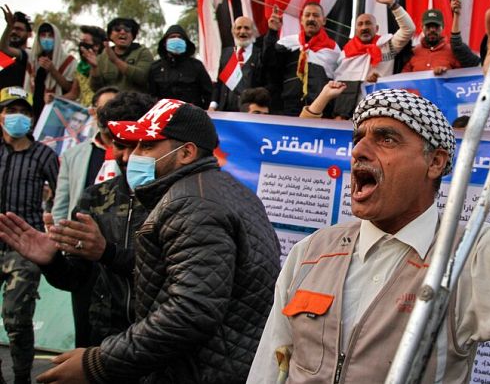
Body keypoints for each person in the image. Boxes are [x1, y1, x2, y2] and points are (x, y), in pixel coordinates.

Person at [247, 0, 490, 382]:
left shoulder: (469, 258)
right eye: (358, 137)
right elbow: (271, 366)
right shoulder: (310, 254)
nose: (360, 149)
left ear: (435, 162)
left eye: (387, 138)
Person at [34, 98, 281, 383]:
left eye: (147, 146)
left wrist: (98, 362)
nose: (130, 156)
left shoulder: (192, 203)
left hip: (202, 371)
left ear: (186, 152)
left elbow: (190, 311)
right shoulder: (217, 191)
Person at [0, 91, 155, 348]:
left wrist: (108, 253)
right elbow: (76, 279)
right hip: (97, 340)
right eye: (119, 144)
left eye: (138, 143)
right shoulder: (94, 198)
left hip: (154, 340)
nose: (127, 157)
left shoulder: (176, 197)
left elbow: (174, 273)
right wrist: (51, 261)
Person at [50, 86, 118, 347]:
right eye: (104, 108)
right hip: (82, 259)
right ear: (93, 112)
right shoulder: (73, 155)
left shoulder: (136, 155)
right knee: (86, 332)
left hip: (117, 256)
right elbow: (62, 204)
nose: (110, 114)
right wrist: (60, 242)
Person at [0, 86, 59, 384]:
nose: (17, 117)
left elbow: (63, 192)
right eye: (11, 111)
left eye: (24, 112)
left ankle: (21, 377)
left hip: (24, 247)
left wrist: (54, 223)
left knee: (17, 316)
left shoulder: (44, 155)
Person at [264, 3, 341, 116]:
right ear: (301, 19)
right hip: (289, 108)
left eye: (315, 15)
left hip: (321, 109)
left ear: (324, 20)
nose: (311, 19)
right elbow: (269, 64)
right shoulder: (287, 43)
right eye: (307, 15)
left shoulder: (334, 49)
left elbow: (339, 81)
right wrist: (272, 32)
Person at [335, 0, 415, 84]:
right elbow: (339, 80)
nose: (364, 27)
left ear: (376, 28)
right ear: (356, 30)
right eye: (360, 24)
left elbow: (408, 29)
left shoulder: (387, 45)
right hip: (354, 99)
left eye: (368, 23)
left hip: (380, 96)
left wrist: (393, 4)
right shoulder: (345, 53)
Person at [148, 25, 213, 109]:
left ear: (185, 43)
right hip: (165, 116)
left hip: (193, 116)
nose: (176, 39)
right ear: (165, 42)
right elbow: (151, 96)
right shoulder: (155, 67)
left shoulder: (196, 66)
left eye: (180, 37)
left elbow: (208, 93)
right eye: (172, 37)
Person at [211, 16, 266, 112]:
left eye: (246, 28)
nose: (242, 31)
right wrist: (213, 105)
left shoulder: (260, 54)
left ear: (253, 31)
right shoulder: (226, 53)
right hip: (225, 112)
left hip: (249, 113)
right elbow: (219, 84)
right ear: (233, 31)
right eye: (239, 28)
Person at [87, 17, 153, 93]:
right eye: (117, 29)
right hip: (110, 102)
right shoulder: (102, 57)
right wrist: (94, 68)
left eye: (127, 29)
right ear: (110, 35)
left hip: (136, 102)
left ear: (133, 35)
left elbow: (142, 78)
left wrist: (115, 60)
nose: (122, 32)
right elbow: (96, 89)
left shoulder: (143, 52)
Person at [26, 21, 77, 119]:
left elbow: (70, 88)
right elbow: (5, 50)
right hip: (33, 109)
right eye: (43, 35)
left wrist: (53, 70)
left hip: (55, 110)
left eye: (50, 36)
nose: (46, 39)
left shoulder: (68, 61)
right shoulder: (32, 58)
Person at [401, 8, 463, 74]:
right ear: (421, 27)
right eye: (428, 26)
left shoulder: (453, 52)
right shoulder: (413, 52)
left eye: (436, 26)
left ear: (443, 27)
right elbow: (404, 78)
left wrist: (446, 75)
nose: (432, 30)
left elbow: (461, 79)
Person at [65, 25, 108, 107]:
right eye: (81, 41)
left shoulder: (106, 64)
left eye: (85, 41)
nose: (81, 44)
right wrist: (55, 98)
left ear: (97, 46)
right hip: (85, 113)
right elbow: (74, 94)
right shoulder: (80, 66)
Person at [0, 6, 32, 90]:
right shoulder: (4, 56)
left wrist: (9, 26)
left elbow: (4, 48)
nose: (14, 31)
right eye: (12, 28)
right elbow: (3, 49)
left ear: (29, 34)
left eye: (18, 29)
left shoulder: (31, 55)